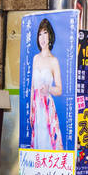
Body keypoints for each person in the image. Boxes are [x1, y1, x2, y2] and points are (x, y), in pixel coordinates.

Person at [29, 18, 64, 150]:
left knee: (48, 141)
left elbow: (59, 90)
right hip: (36, 107)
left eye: (45, 33)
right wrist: (31, 110)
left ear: (50, 36)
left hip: (47, 108)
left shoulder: (54, 61)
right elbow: (32, 86)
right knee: (37, 141)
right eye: (40, 34)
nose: (42, 38)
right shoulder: (35, 58)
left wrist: (49, 88)